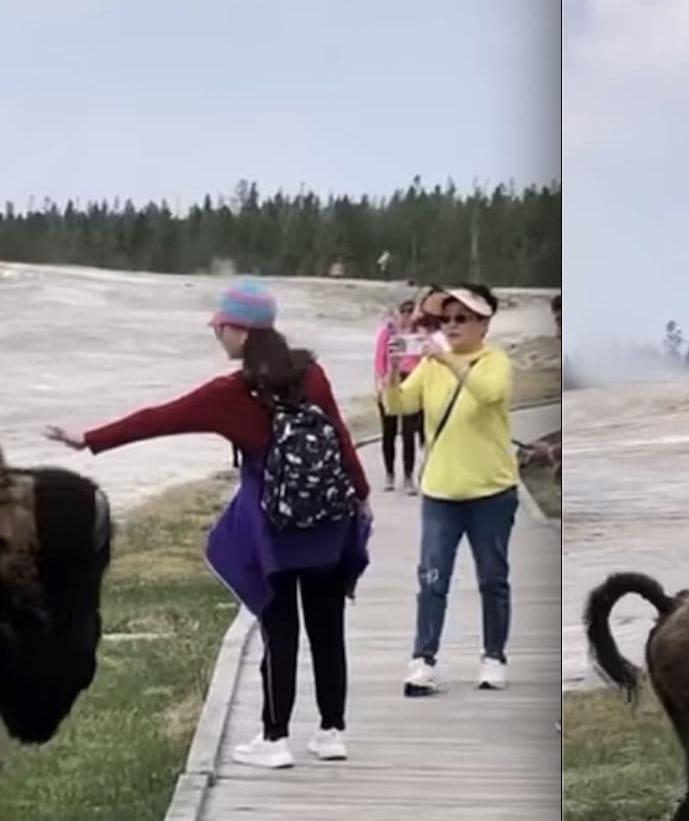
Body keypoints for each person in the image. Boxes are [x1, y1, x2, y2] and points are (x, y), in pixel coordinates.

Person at [46, 279, 372, 769]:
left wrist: (89, 439)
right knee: (328, 628)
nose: (217, 335)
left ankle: (275, 738)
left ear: (239, 331)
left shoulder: (231, 393)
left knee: (279, 628)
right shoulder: (312, 373)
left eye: (220, 327)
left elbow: (160, 418)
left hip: (276, 530)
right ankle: (331, 732)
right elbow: (342, 436)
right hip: (327, 520)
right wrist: (361, 497)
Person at [388, 282, 517, 695]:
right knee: (432, 578)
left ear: (484, 324)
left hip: (491, 491)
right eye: (446, 319)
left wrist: (446, 359)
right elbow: (398, 405)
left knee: (492, 577)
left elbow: (488, 394)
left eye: (462, 318)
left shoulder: (495, 361)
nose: (452, 325)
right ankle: (422, 660)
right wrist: (392, 371)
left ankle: (493, 657)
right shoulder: (430, 365)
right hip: (441, 492)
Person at [372, 299, 426, 494]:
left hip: (411, 382)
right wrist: (379, 384)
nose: (407, 315)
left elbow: (424, 362)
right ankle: (389, 473)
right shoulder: (387, 333)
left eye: (411, 312)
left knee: (409, 432)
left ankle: (409, 475)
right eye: (404, 311)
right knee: (389, 431)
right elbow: (379, 361)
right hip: (390, 381)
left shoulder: (419, 335)